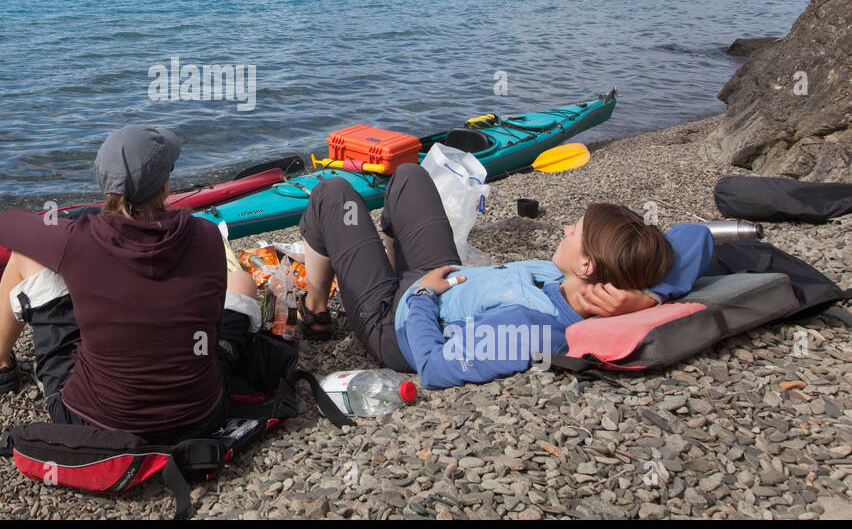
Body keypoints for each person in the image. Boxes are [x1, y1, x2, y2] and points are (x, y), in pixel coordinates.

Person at [0, 125, 265, 443]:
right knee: (240, 281)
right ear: (165, 183)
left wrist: (62, 227)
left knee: (23, 256)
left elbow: (3, 224)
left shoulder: (77, 240)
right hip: (202, 414)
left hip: (95, 420)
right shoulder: (205, 235)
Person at [296, 163, 714, 388]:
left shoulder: (529, 326)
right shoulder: (575, 281)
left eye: (576, 230)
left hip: (397, 322)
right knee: (409, 176)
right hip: (445, 277)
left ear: (587, 265)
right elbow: (694, 237)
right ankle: (386, 268)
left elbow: (437, 367)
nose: (566, 229)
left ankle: (315, 312)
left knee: (333, 195)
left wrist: (421, 297)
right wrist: (651, 298)